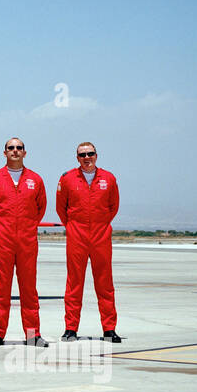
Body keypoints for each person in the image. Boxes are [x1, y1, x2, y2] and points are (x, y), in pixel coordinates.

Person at [0, 137, 47, 347]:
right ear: (4, 152)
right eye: (11, 148)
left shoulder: (35, 179)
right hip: (2, 241)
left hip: (27, 241)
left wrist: (26, 227)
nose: (15, 151)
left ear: (25, 153)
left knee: (29, 290)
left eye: (19, 148)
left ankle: (32, 334)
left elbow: (40, 208)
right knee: (1, 288)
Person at [56, 142, 122, 342]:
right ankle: (70, 328)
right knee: (74, 283)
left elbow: (113, 206)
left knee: (105, 283)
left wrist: (100, 224)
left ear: (96, 155)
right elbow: (61, 208)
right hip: (77, 235)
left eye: (90, 153)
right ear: (77, 158)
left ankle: (109, 329)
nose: (87, 157)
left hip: (101, 235)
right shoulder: (67, 179)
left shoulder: (109, 179)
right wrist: (75, 226)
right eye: (82, 154)